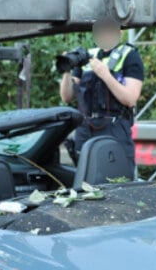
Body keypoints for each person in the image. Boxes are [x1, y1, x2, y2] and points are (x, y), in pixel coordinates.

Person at [58, 16, 145, 165]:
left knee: (117, 178)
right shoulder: (87, 56)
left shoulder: (130, 55)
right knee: (85, 180)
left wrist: (105, 75)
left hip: (114, 127)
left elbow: (130, 98)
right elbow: (67, 97)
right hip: (85, 127)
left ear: (120, 32)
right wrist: (66, 71)